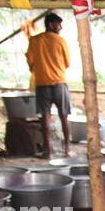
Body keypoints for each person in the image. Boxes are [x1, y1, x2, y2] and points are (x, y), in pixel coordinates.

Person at [26, 12, 71, 158]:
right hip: (59, 82)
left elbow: (31, 62)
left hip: (42, 83)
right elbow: (67, 63)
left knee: (44, 118)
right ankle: (67, 150)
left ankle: (48, 152)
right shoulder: (60, 41)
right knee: (64, 116)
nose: (61, 28)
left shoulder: (34, 40)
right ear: (51, 24)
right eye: (59, 25)